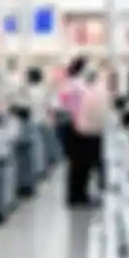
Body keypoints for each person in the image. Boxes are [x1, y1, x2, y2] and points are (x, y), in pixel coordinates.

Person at [74, 70, 113, 205]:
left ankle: (81, 195)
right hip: (93, 133)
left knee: (84, 168)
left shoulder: (89, 93)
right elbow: (103, 116)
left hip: (84, 133)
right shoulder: (100, 93)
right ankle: (90, 194)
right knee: (92, 166)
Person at [56, 56, 89, 205]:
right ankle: (78, 196)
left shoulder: (68, 85)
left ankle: (76, 195)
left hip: (70, 126)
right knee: (80, 163)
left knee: (76, 163)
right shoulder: (78, 86)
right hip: (77, 126)